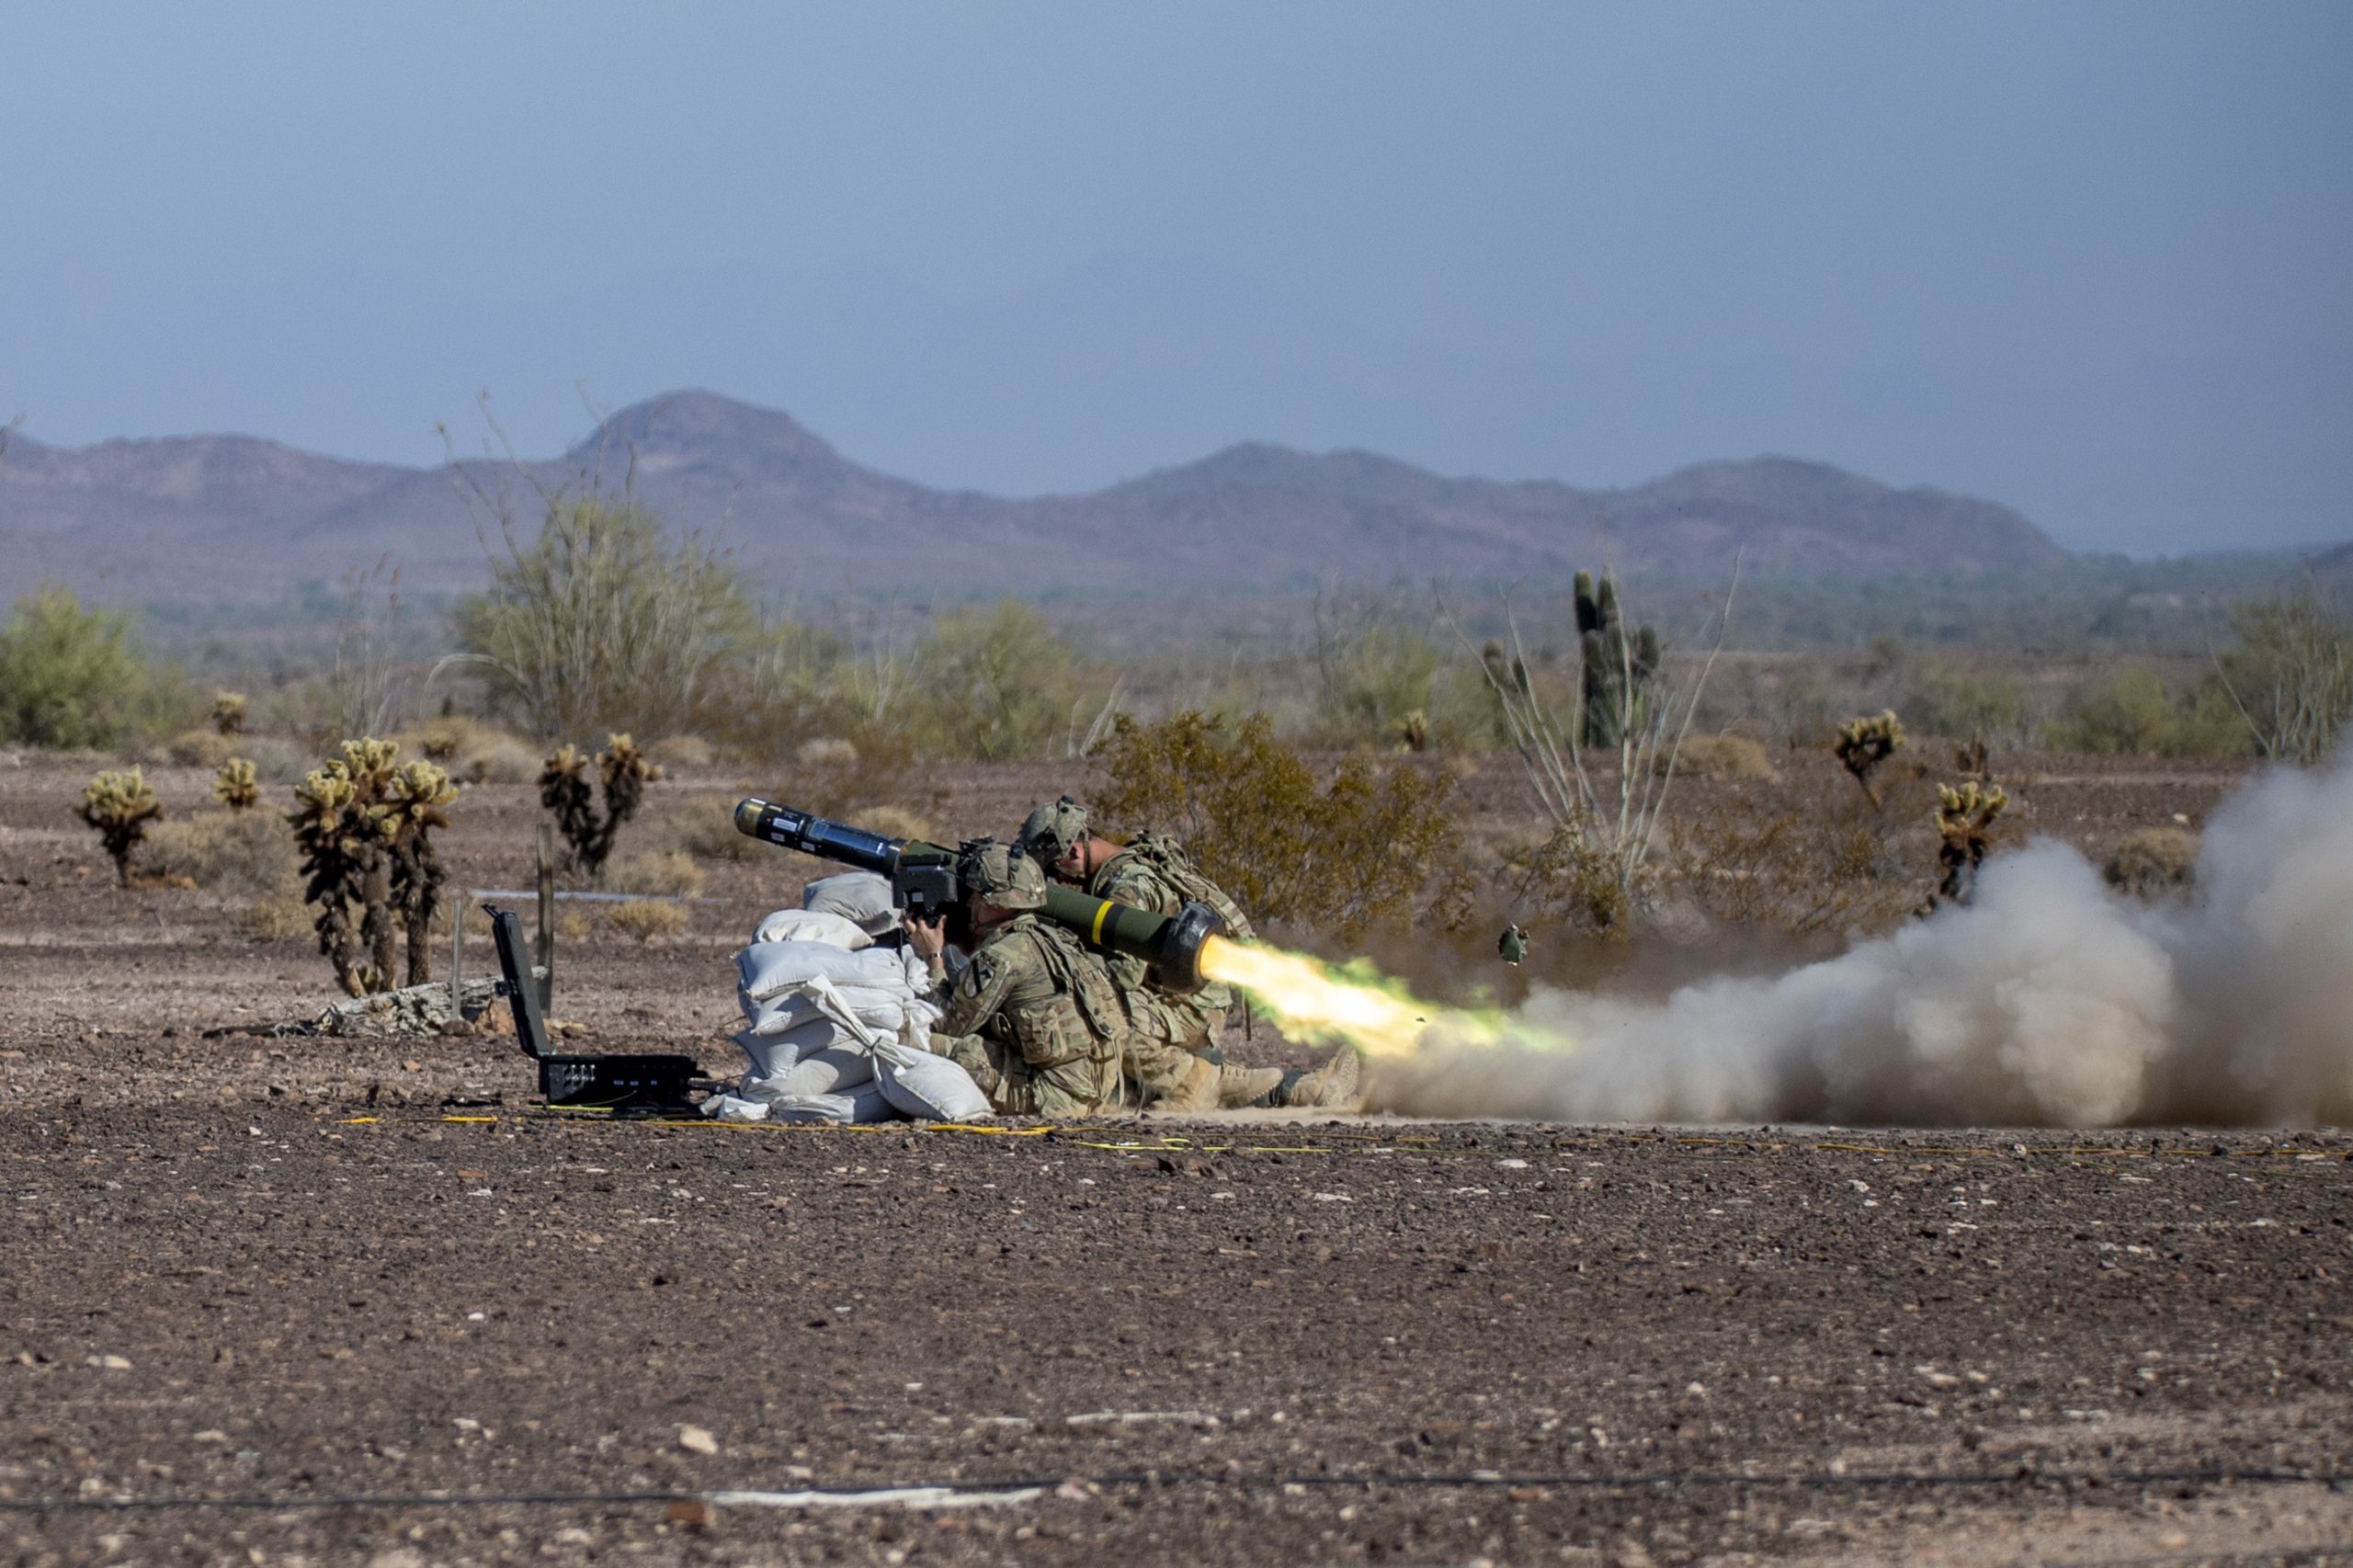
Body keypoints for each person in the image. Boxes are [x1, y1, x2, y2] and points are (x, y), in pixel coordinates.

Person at [1015, 795, 1358, 1111]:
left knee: (1101, 1012)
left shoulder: (1126, 888)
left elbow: (1122, 976)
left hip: (1192, 1002)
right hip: (1187, 992)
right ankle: (1300, 1089)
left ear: (1073, 852)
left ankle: (1190, 1082)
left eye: (1055, 870)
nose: (1060, 881)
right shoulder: (1127, 863)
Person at [903, 840, 1131, 1116]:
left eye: (978, 894)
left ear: (998, 906)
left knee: (917, 1038)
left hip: (1053, 1095)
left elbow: (948, 1024)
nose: (972, 902)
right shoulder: (1055, 938)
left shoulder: (1004, 955)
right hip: (1093, 1087)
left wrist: (933, 956)